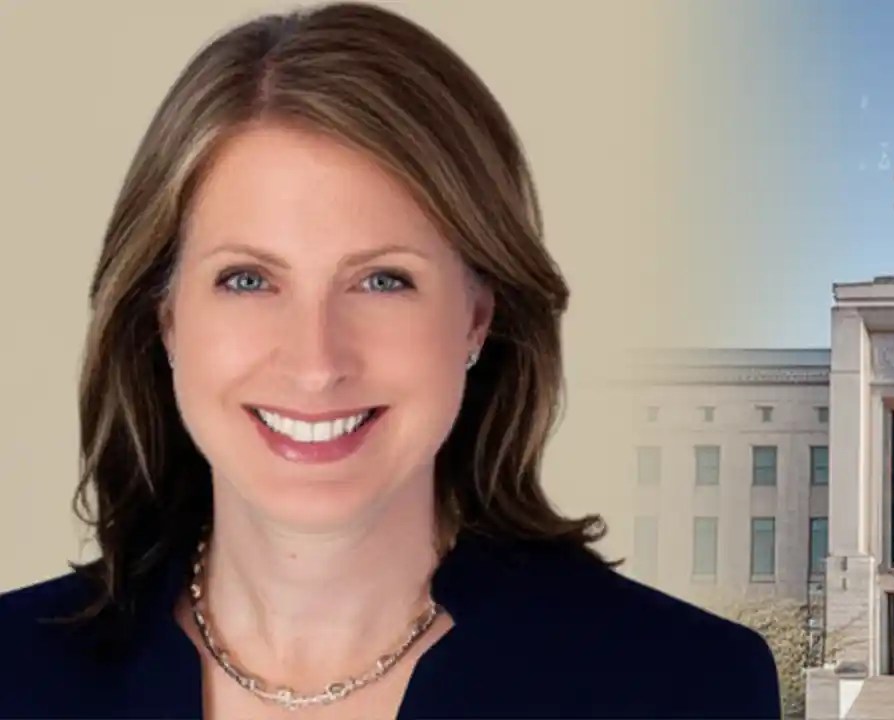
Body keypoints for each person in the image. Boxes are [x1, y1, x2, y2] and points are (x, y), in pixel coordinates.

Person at [0, 3, 781, 718]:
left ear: (478, 317)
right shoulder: (16, 670)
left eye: (383, 280)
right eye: (247, 279)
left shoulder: (684, 685)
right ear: (165, 315)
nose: (315, 362)